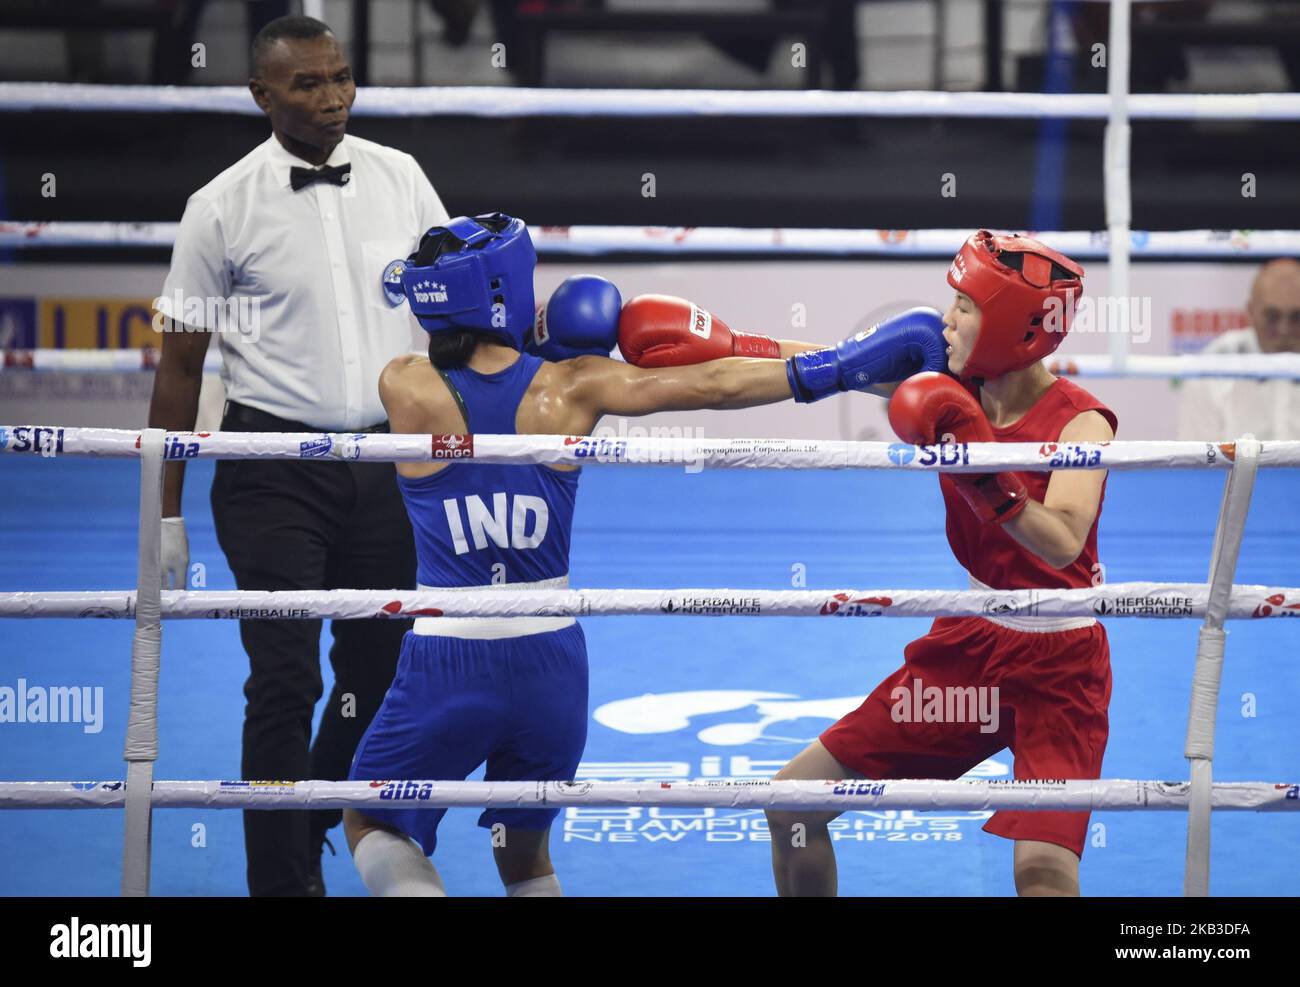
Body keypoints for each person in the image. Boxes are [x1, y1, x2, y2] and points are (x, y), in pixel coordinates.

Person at [342, 212, 950, 896]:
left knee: (370, 818)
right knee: (524, 856)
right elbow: (715, 385)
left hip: (449, 658)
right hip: (552, 665)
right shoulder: (575, 386)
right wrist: (843, 366)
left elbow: (443, 349)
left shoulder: (403, 384)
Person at [147, 14, 449, 896]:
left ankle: (314, 817)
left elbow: (460, 319)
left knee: (380, 672)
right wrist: (164, 506)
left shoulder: (402, 178)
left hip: (390, 464)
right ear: (262, 94)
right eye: (308, 84)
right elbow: (179, 364)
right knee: (282, 678)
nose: (331, 98)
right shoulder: (220, 206)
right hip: (269, 465)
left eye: (342, 77)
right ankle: (279, 887)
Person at [766, 230, 1119, 897]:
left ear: (1014, 325)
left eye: (965, 306)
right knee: (791, 805)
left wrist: (987, 476)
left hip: (1061, 667)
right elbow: (830, 361)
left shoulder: (1082, 423)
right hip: (970, 645)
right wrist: (723, 345)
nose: (946, 318)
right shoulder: (945, 385)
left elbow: (1065, 538)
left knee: (1042, 875)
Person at [1178, 258, 1300, 441]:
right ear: (1251, 312)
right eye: (1272, 316)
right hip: (1233, 471)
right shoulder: (1213, 366)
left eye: (1296, 317)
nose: (1284, 330)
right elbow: (1197, 462)